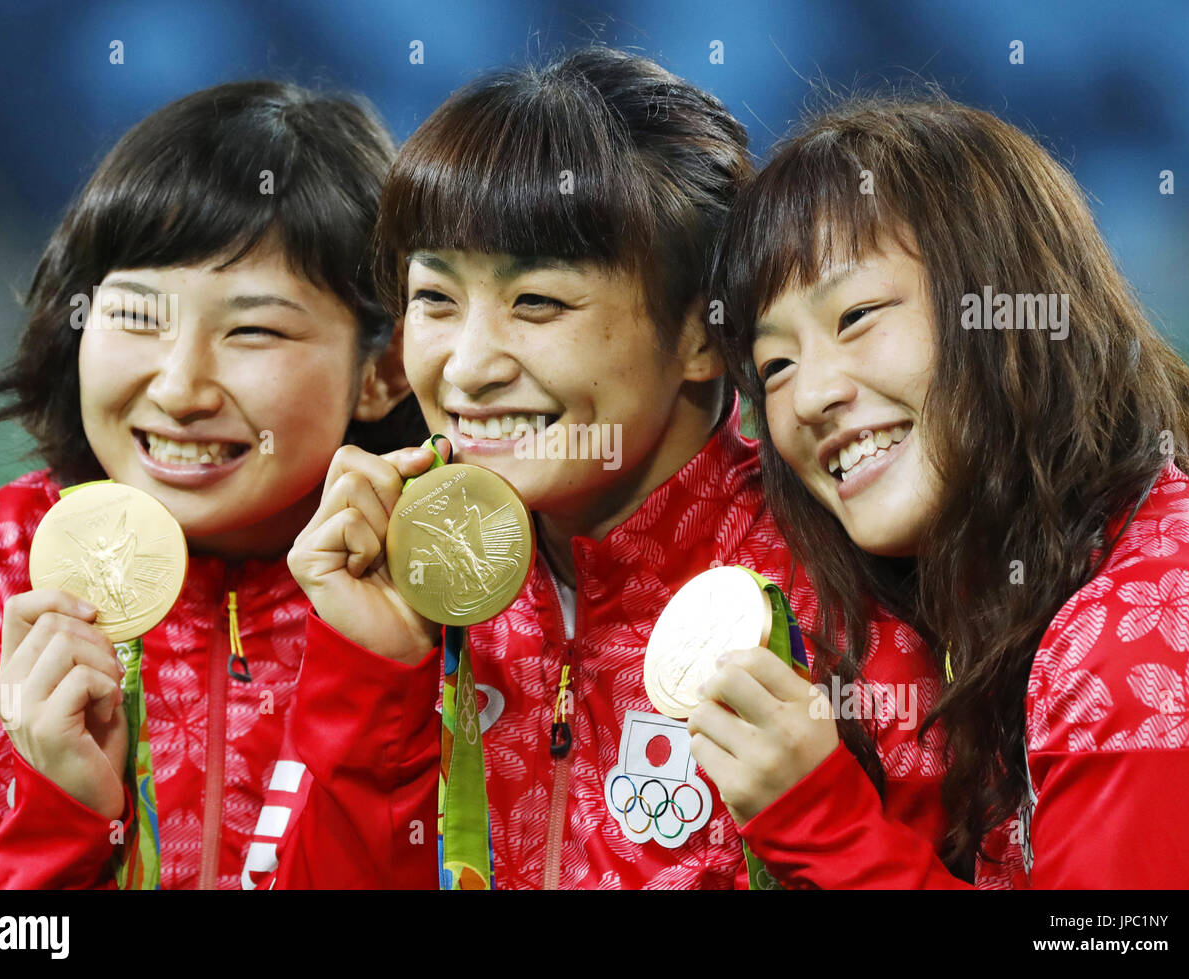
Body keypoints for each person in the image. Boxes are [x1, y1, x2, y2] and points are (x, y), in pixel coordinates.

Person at [242, 48, 950, 890]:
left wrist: (824, 824)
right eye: (435, 299)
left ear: (700, 333)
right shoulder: (393, 587)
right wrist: (372, 675)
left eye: (536, 302)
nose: (466, 367)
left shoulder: (844, 591)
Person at [0, 80, 424, 889]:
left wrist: (376, 686)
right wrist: (58, 820)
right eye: (137, 316)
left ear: (385, 369)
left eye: (253, 329)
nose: (182, 387)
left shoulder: (462, 600)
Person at [705, 93, 1189, 887]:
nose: (809, 397)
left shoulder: (1153, 627)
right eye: (775, 365)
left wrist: (825, 825)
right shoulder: (1017, 599)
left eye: (857, 315)